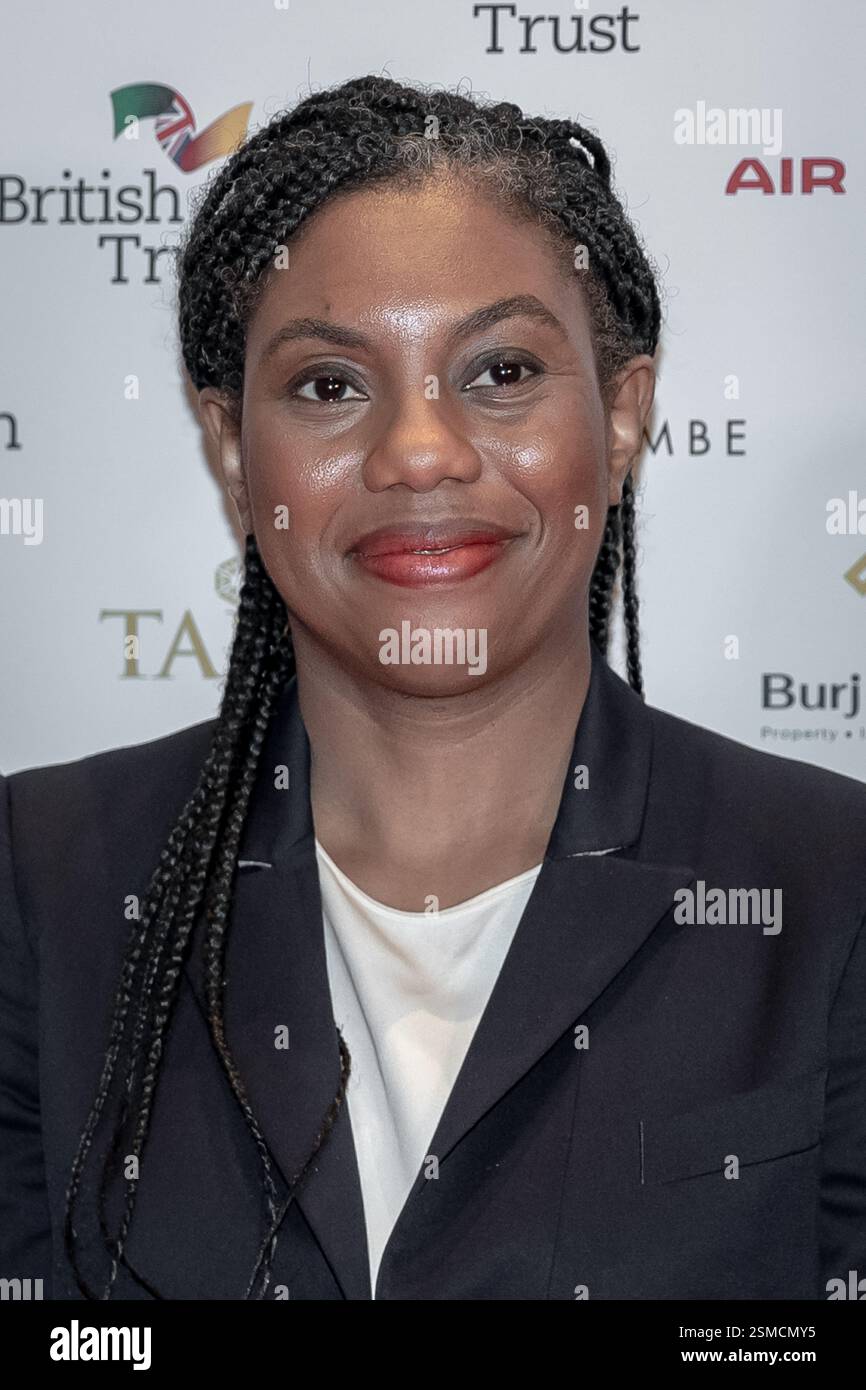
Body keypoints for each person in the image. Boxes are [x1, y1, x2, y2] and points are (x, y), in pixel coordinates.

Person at [1, 74, 864, 1302]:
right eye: (329, 386)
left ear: (621, 419)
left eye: (500, 369)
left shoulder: (831, 886)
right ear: (235, 456)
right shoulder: (37, 882)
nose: (418, 450)